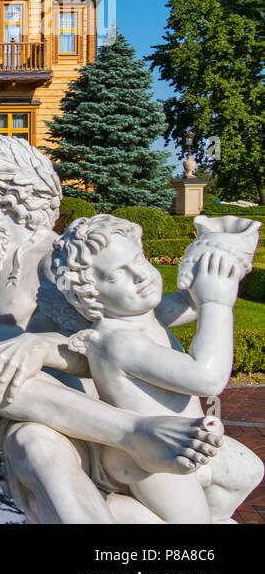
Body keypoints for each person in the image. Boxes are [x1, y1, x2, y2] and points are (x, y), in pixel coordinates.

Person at [0, 136, 221, 523]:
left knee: (37, 444)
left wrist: (203, 298)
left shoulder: (55, 260)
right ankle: (132, 432)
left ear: (9, 195)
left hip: (38, 401)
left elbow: (112, 334)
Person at [53, 215, 262, 522]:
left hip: (194, 441)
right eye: (115, 276)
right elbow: (207, 378)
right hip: (154, 458)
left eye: (138, 258)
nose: (139, 275)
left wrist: (222, 259)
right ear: (90, 296)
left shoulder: (145, 316)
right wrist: (217, 302)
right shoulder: (119, 342)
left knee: (248, 470)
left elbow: (188, 301)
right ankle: (119, 513)